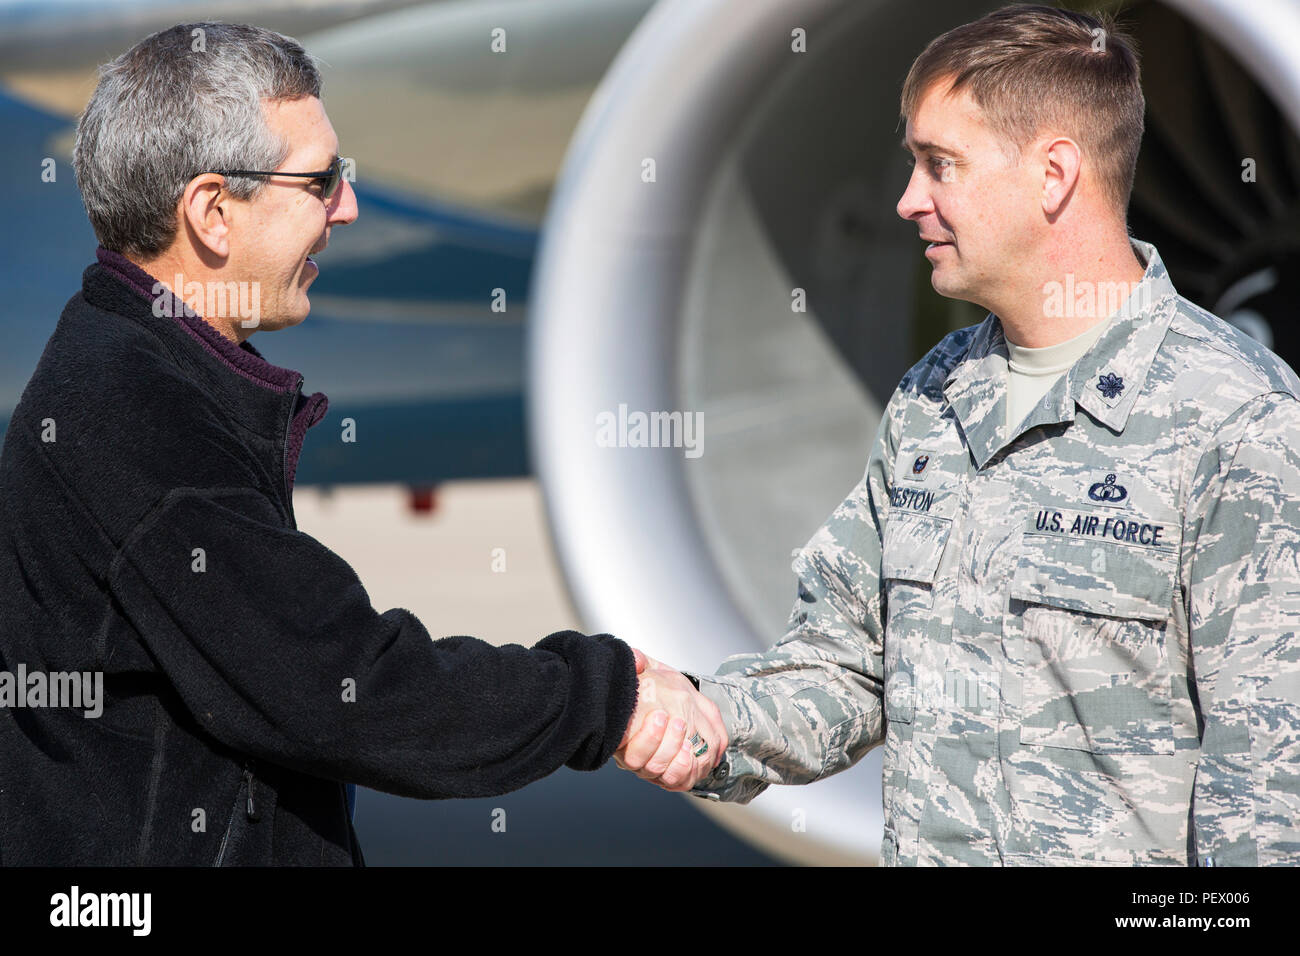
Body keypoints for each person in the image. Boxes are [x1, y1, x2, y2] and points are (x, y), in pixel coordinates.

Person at [0, 21, 725, 866]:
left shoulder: (124, 364)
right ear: (212, 212)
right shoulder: (141, 417)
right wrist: (610, 696)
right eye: (320, 180)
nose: (346, 205)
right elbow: (352, 693)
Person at [616, 4, 1300, 866]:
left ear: (1053, 175)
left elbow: (1270, 806)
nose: (908, 201)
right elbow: (848, 665)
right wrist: (705, 720)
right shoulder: (936, 397)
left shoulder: (1240, 424)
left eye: (941, 165)